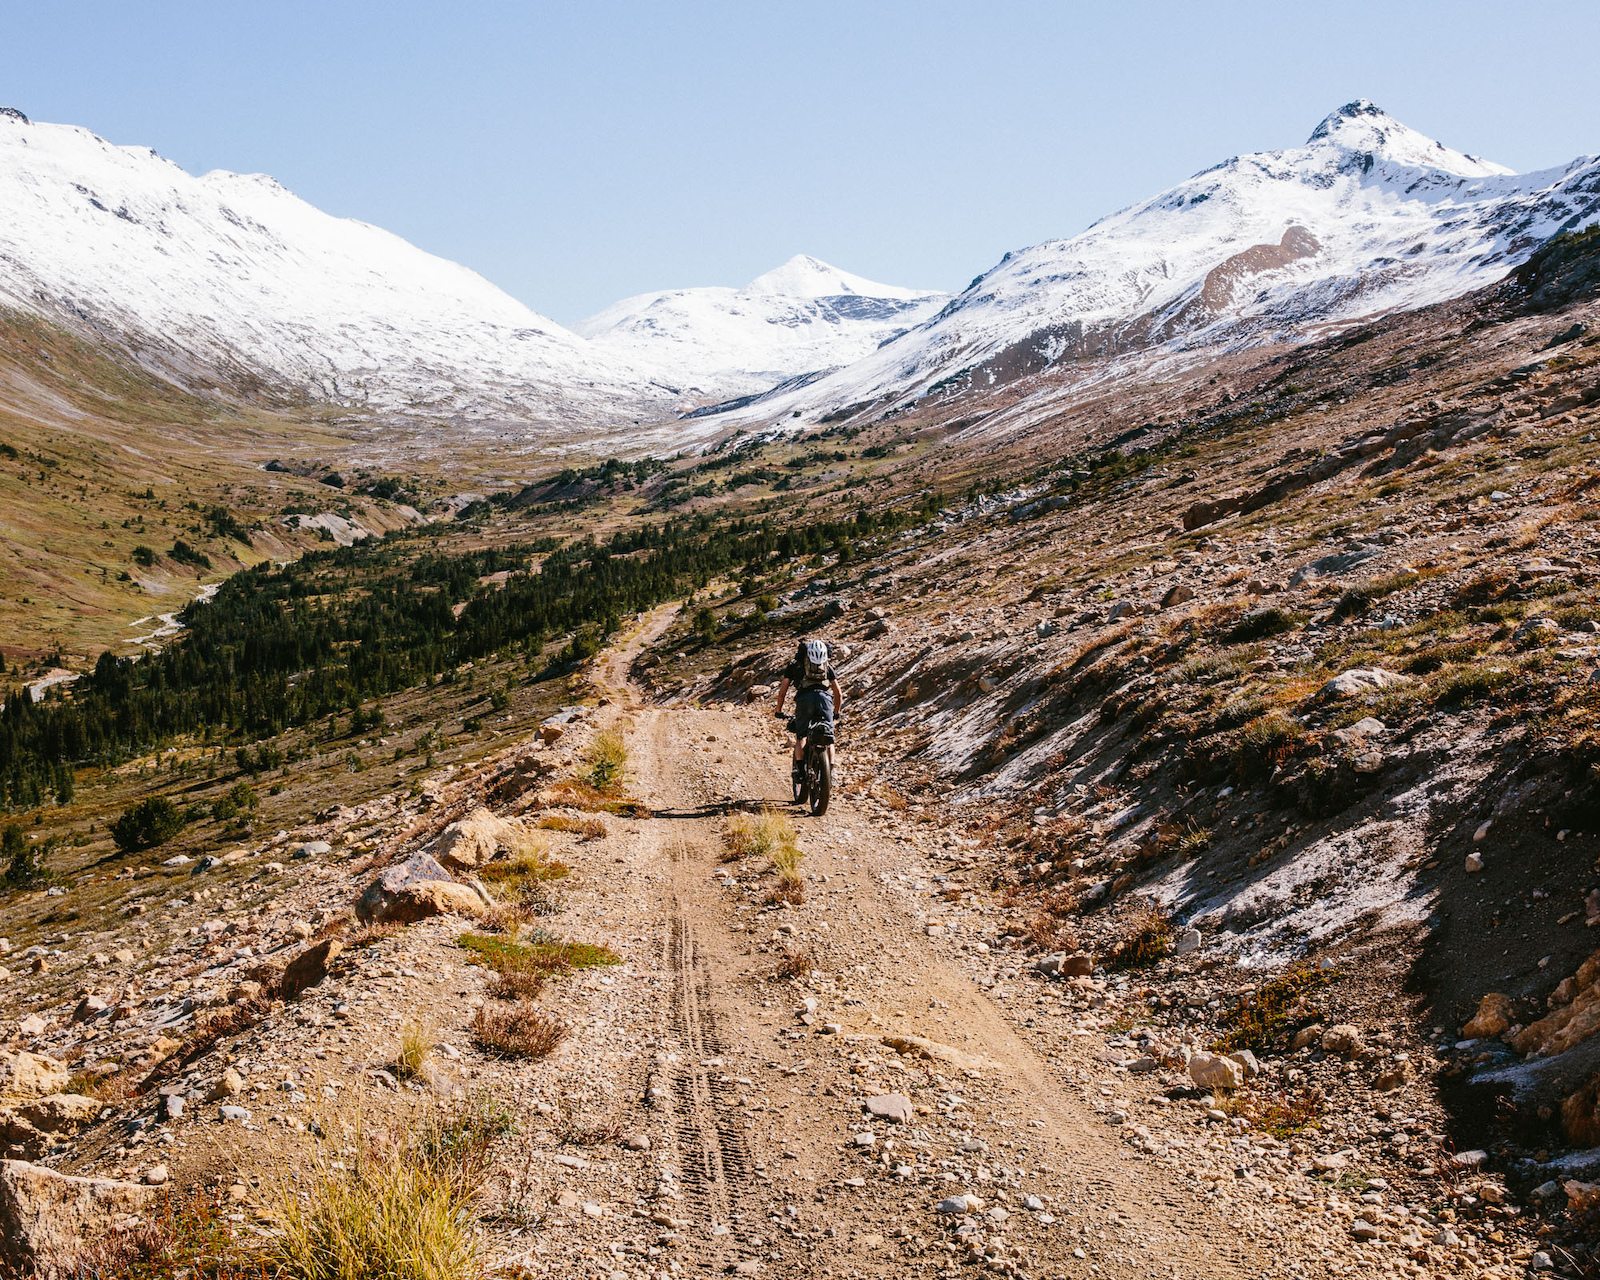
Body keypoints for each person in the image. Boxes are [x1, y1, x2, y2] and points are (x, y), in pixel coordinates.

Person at [772, 638, 843, 800]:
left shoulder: (795, 666)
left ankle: (802, 770)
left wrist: (779, 711)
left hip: (804, 701)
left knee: (801, 736)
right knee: (829, 739)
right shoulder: (826, 666)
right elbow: (838, 692)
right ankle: (830, 772)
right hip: (825, 700)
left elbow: (782, 692)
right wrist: (836, 712)